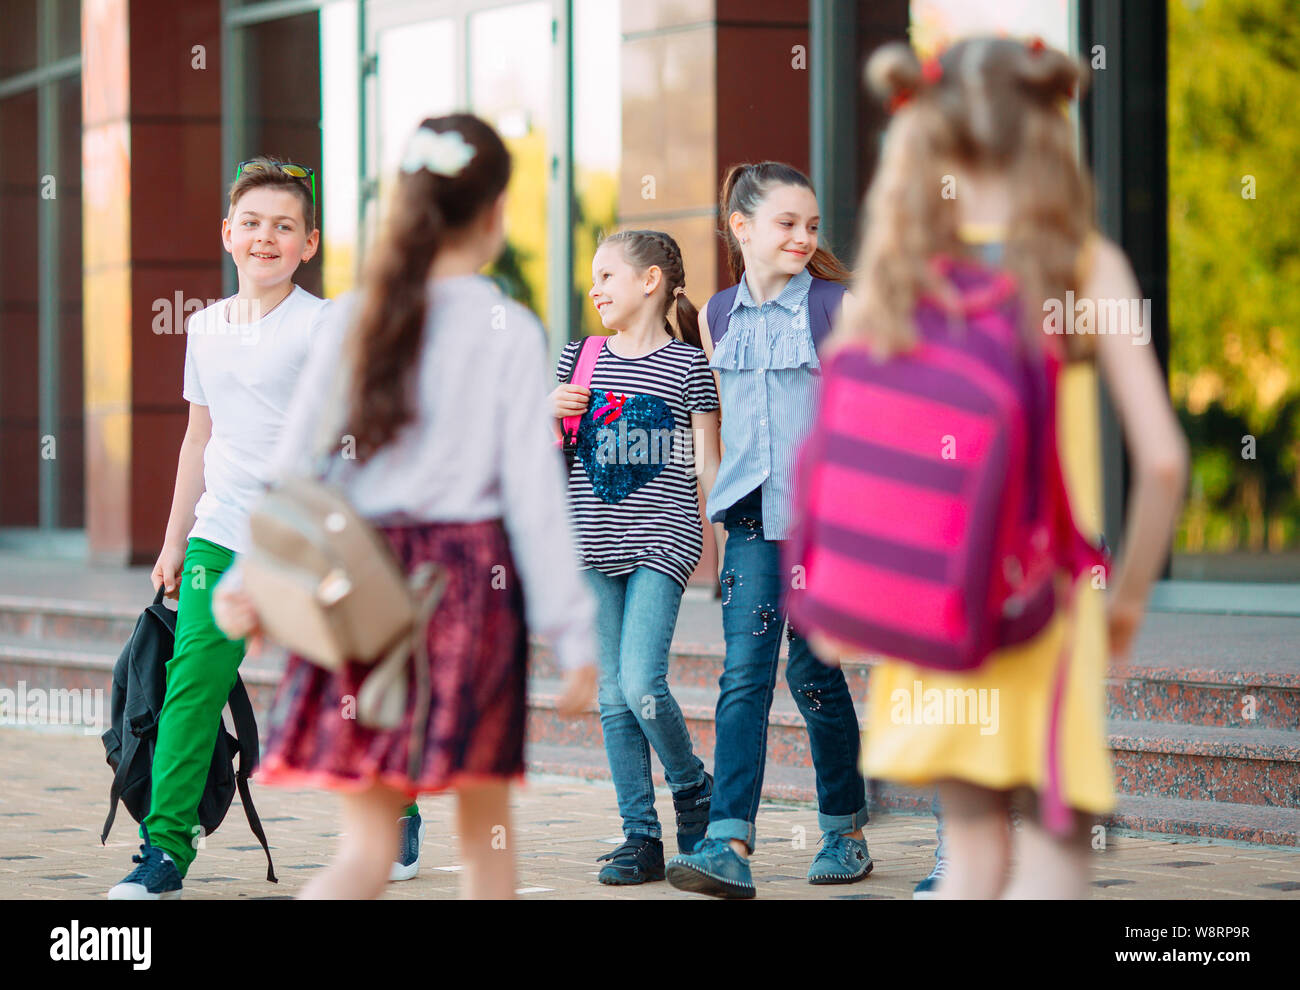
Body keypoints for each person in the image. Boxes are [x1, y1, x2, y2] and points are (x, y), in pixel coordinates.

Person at [817, 37, 1188, 899]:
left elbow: (847, 448)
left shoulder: (895, 277)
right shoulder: (1086, 267)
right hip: (1048, 602)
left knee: (973, 855)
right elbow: (1164, 462)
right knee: (1057, 852)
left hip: (934, 604)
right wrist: (1127, 605)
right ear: (1052, 135)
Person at [213, 114, 597, 900]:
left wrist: (246, 574)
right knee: (487, 844)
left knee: (364, 854)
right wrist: (573, 632)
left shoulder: (353, 317)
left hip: (367, 588)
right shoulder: (510, 332)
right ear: (495, 215)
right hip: (471, 593)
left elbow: (294, 465)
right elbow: (535, 497)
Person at [107, 157, 330, 899]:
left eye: (285, 227)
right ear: (228, 234)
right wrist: (174, 541)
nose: (267, 237)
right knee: (191, 687)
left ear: (310, 243)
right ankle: (165, 850)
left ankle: (397, 808)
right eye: (254, 224)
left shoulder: (323, 325)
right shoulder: (202, 328)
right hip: (220, 534)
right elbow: (198, 439)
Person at [664, 163, 872, 899]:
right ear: (742, 227)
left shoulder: (838, 308)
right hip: (751, 517)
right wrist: (716, 502)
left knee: (814, 673)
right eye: (787, 223)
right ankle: (727, 841)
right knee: (744, 674)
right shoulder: (718, 314)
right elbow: (717, 419)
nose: (803, 237)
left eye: (811, 225)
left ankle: (844, 827)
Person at [551, 230, 720, 884]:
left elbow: (709, 463)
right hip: (591, 542)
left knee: (642, 685)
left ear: (650, 281)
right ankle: (640, 837)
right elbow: (550, 450)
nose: (594, 288)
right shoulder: (580, 356)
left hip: (664, 540)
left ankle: (692, 787)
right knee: (614, 698)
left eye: (606, 275)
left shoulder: (687, 366)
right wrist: (546, 410)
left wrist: (735, 538)